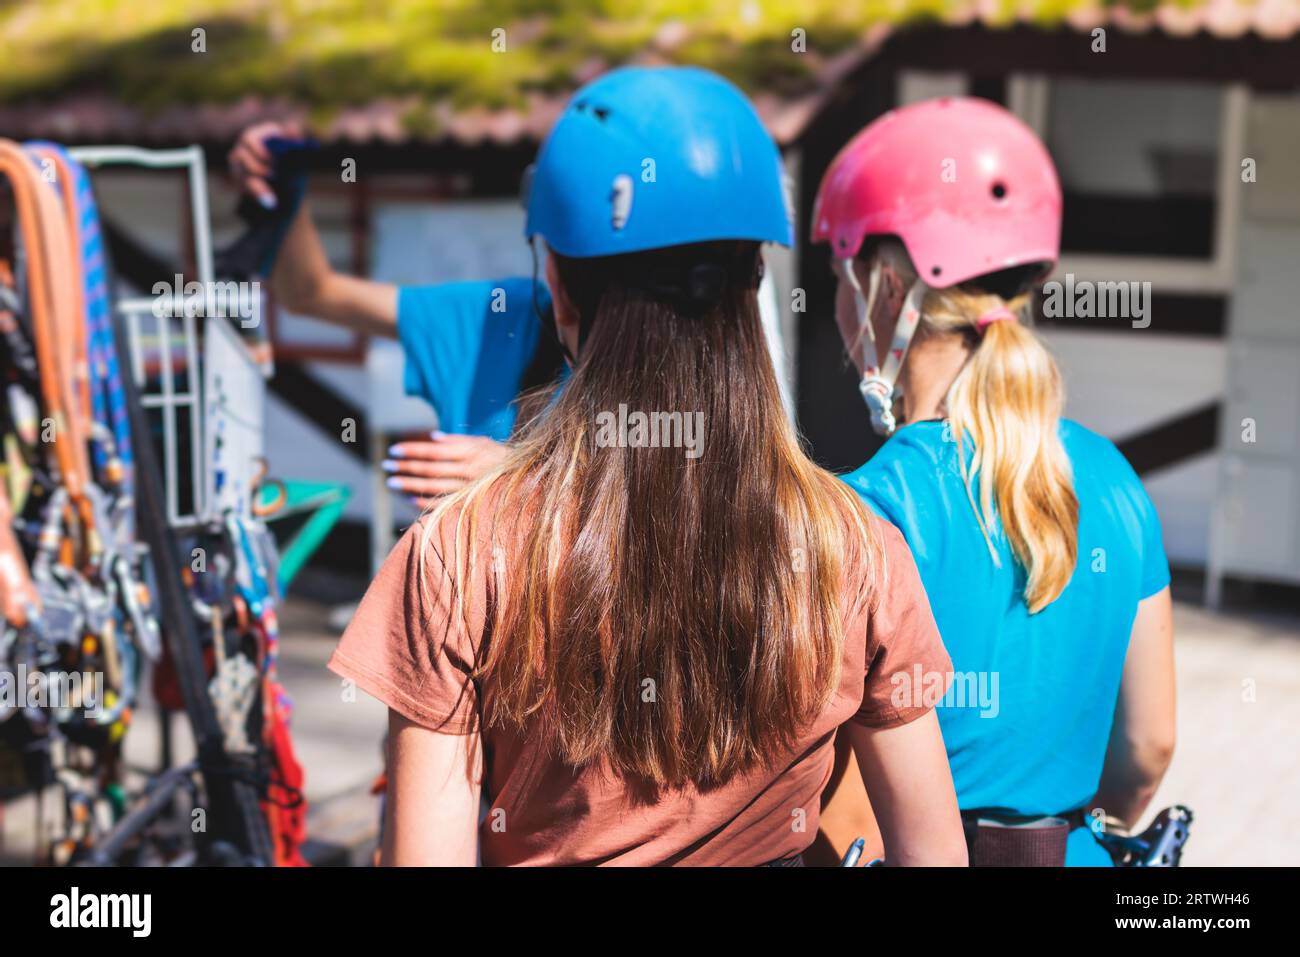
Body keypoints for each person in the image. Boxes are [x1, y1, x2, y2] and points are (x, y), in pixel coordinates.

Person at [327, 66, 968, 866]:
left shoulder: (455, 558)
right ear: (753, 283)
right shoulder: (857, 547)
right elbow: (936, 855)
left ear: (559, 286)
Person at [810, 97, 1176, 866]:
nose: (838, 302)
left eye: (841, 274)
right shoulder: (1114, 477)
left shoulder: (866, 506)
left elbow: (829, 789)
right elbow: (1148, 748)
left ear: (885, 290)